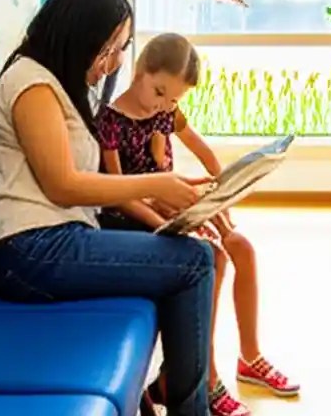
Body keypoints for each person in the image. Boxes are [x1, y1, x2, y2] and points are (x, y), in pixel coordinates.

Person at [0, 0, 217, 416]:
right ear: (79, 35)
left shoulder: (61, 85)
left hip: (52, 240)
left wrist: (166, 204)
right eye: (109, 49)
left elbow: (85, 184)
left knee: (190, 251)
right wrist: (155, 184)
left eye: (121, 49)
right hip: (27, 251)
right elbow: (62, 185)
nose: (115, 62)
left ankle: (172, 393)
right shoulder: (32, 84)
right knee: (194, 262)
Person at [97, 33, 301, 416]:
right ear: (140, 71)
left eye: (174, 100)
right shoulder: (110, 121)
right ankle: (207, 377)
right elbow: (119, 194)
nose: (164, 105)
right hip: (133, 217)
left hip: (172, 205)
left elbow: (203, 151)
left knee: (240, 246)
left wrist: (222, 190)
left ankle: (250, 357)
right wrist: (167, 224)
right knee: (214, 259)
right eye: (159, 92)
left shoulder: (165, 113)